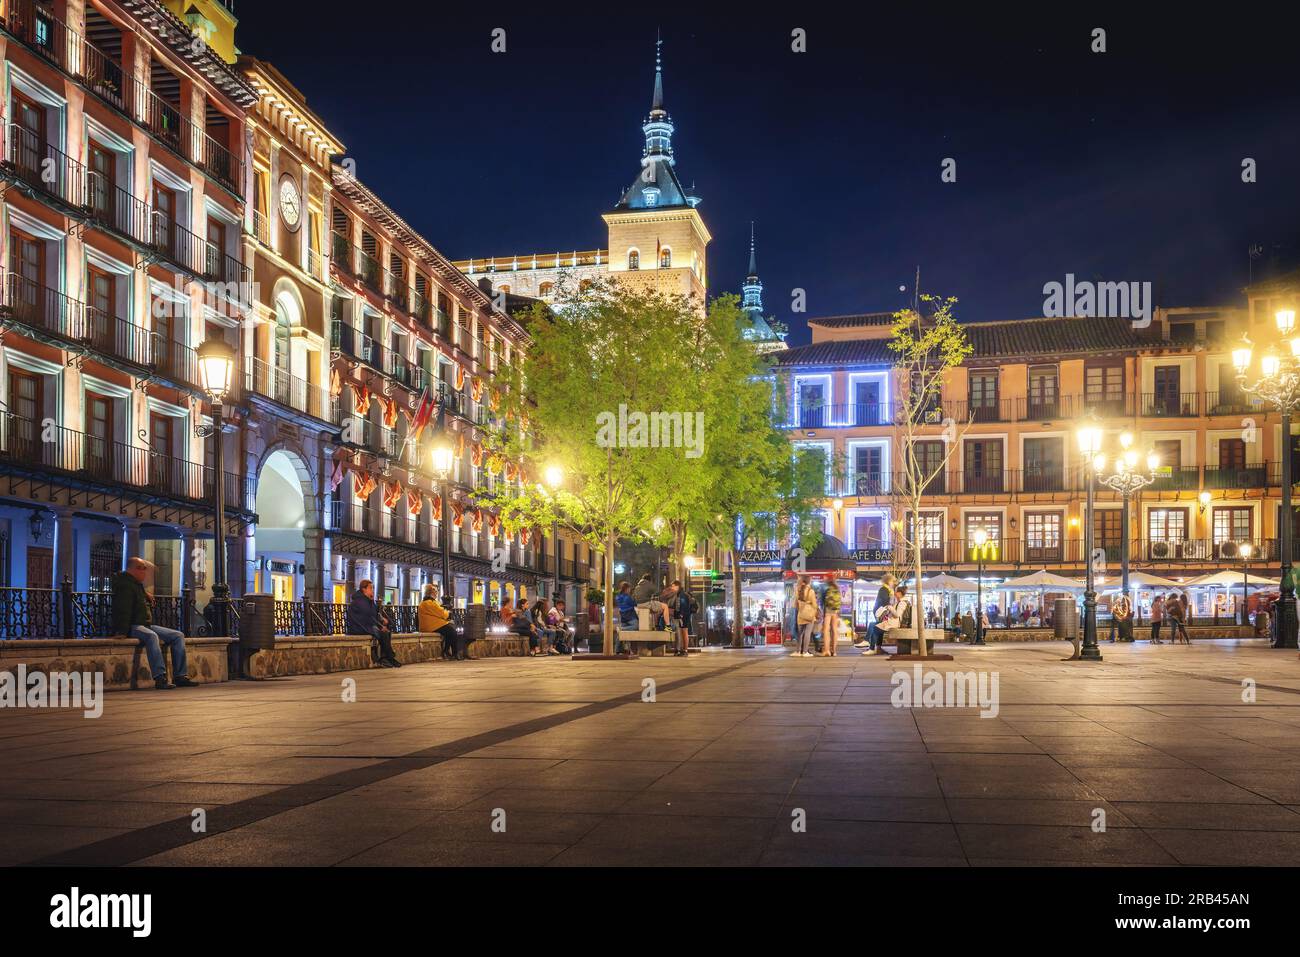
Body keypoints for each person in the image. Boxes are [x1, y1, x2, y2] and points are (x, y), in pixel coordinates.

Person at [111, 557, 196, 690]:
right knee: (152, 636)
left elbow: (137, 593)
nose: (145, 572)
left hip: (145, 624)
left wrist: (146, 594)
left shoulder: (135, 584)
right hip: (133, 626)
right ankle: (160, 677)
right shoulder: (125, 586)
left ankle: (180, 675)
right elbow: (123, 609)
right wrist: (121, 631)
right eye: (143, 568)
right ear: (134, 569)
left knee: (178, 635)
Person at [347, 579, 400, 668]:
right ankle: (387, 658)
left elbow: (374, 614)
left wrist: (382, 620)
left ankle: (387, 658)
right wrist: (380, 626)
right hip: (359, 627)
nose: (372, 590)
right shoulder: (360, 601)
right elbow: (367, 616)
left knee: (386, 632)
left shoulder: (368, 600)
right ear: (364, 589)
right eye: (370, 588)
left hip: (367, 625)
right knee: (383, 632)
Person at [857, 572, 894, 654]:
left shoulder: (887, 590)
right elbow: (884, 601)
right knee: (877, 627)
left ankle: (873, 646)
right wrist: (890, 604)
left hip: (882, 612)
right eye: (892, 581)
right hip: (881, 613)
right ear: (888, 581)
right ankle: (872, 647)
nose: (893, 583)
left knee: (877, 627)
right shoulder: (884, 589)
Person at [793, 574, 818, 657]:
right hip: (809, 614)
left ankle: (798, 651)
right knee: (807, 633)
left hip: (800, 614)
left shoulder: (797, 590)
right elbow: (814, 604)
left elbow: (794, 604)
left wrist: (800, 607)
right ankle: (805, 652)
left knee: (800, 633)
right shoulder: (810, 591)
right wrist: (815, 611)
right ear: (808, 581)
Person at [819, 580, 842, 656]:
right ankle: (834, 651)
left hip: (827, 609)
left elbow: (821, 600)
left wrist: (822, 610)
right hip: (835, 610)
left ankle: (827, 650)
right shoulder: (836, 587)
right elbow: (839, 600)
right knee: (834, 630)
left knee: (826, 630)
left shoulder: (824, 586)